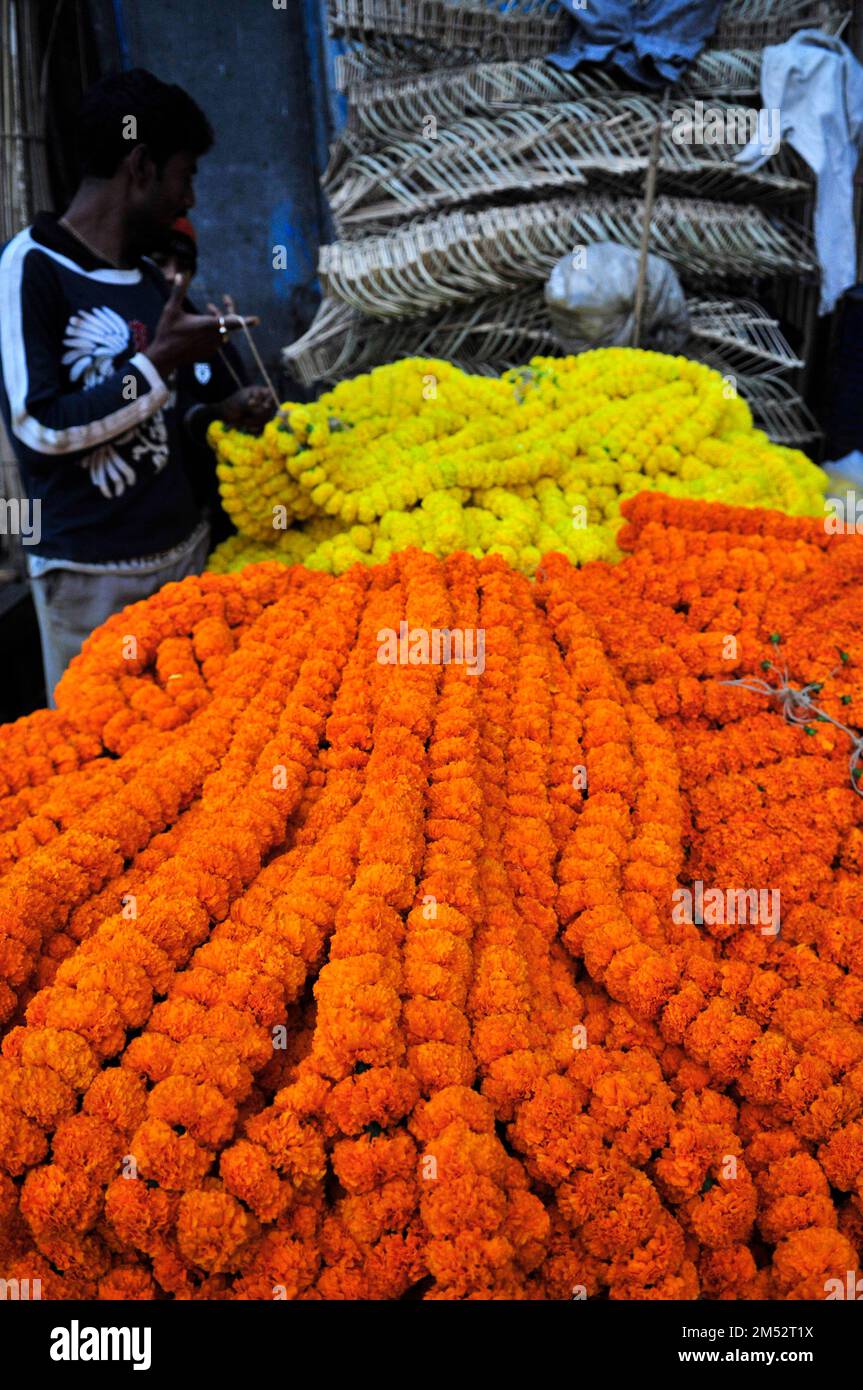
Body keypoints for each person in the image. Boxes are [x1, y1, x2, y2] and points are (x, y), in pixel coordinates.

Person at [0, 68, 263, 705]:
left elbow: (174, 401)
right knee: (106, 773)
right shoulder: (32, 267)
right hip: (95, 588)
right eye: (186, 175)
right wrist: (156, 364)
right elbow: (41, 427)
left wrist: (225, 407)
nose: (191, 200)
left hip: (185, 566)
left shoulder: (146, 276)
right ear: (141, 166)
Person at [148, 217, 273, 545]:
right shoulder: (126, 329)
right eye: (161, 262)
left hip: (212, 510)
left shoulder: (204, 329)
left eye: (185, 266)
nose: (174, 276)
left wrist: (249, 405)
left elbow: (232, 402)